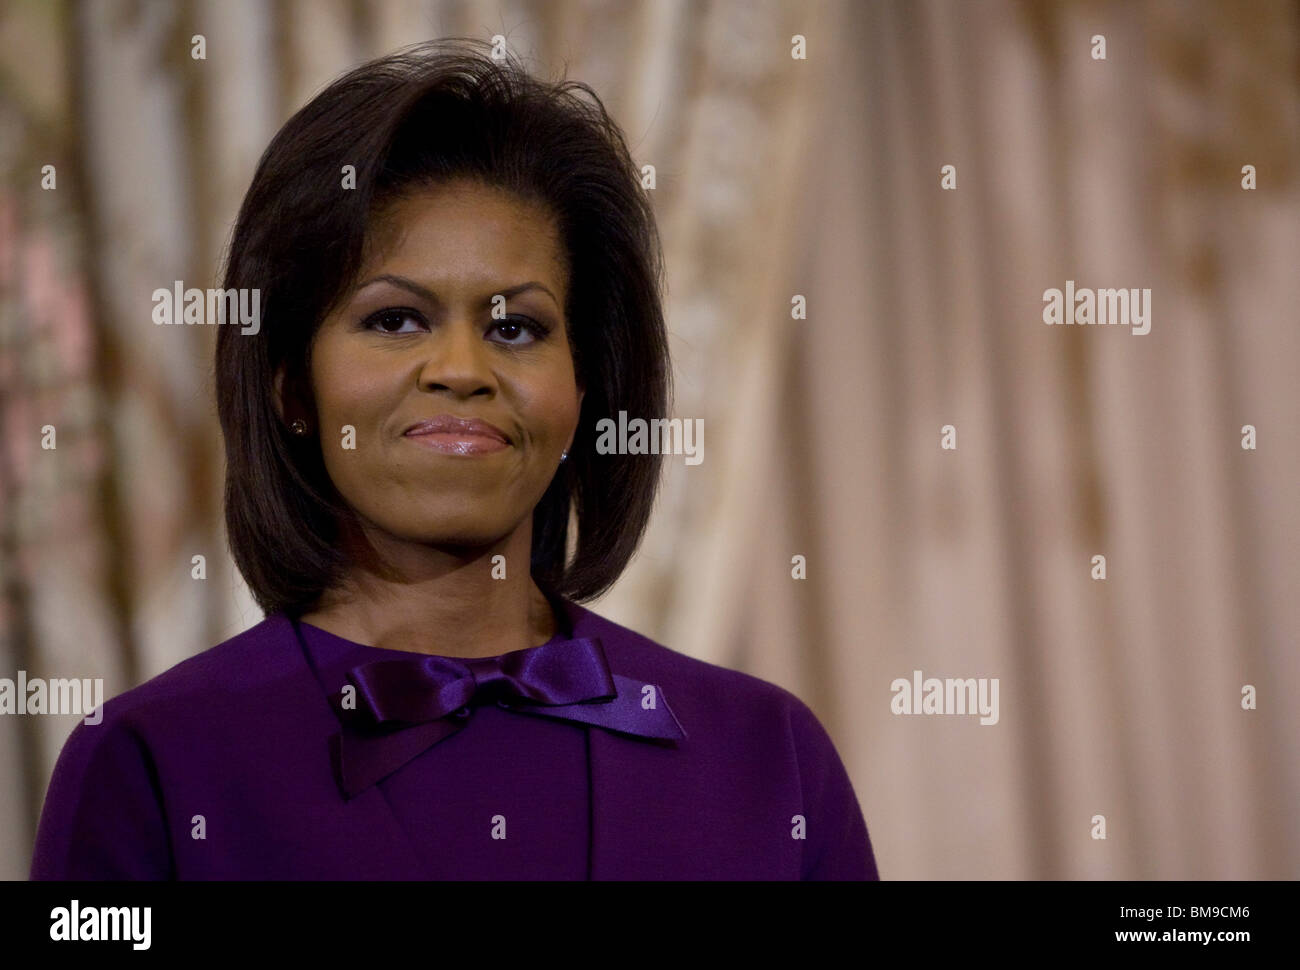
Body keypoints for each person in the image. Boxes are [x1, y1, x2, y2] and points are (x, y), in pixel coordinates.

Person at [30, 38, 879, 880]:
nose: (464, 370)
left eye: (516, 328)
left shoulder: (768, 758)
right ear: (291, 387)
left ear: (584, 391)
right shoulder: (152, 765)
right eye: (395, 320)